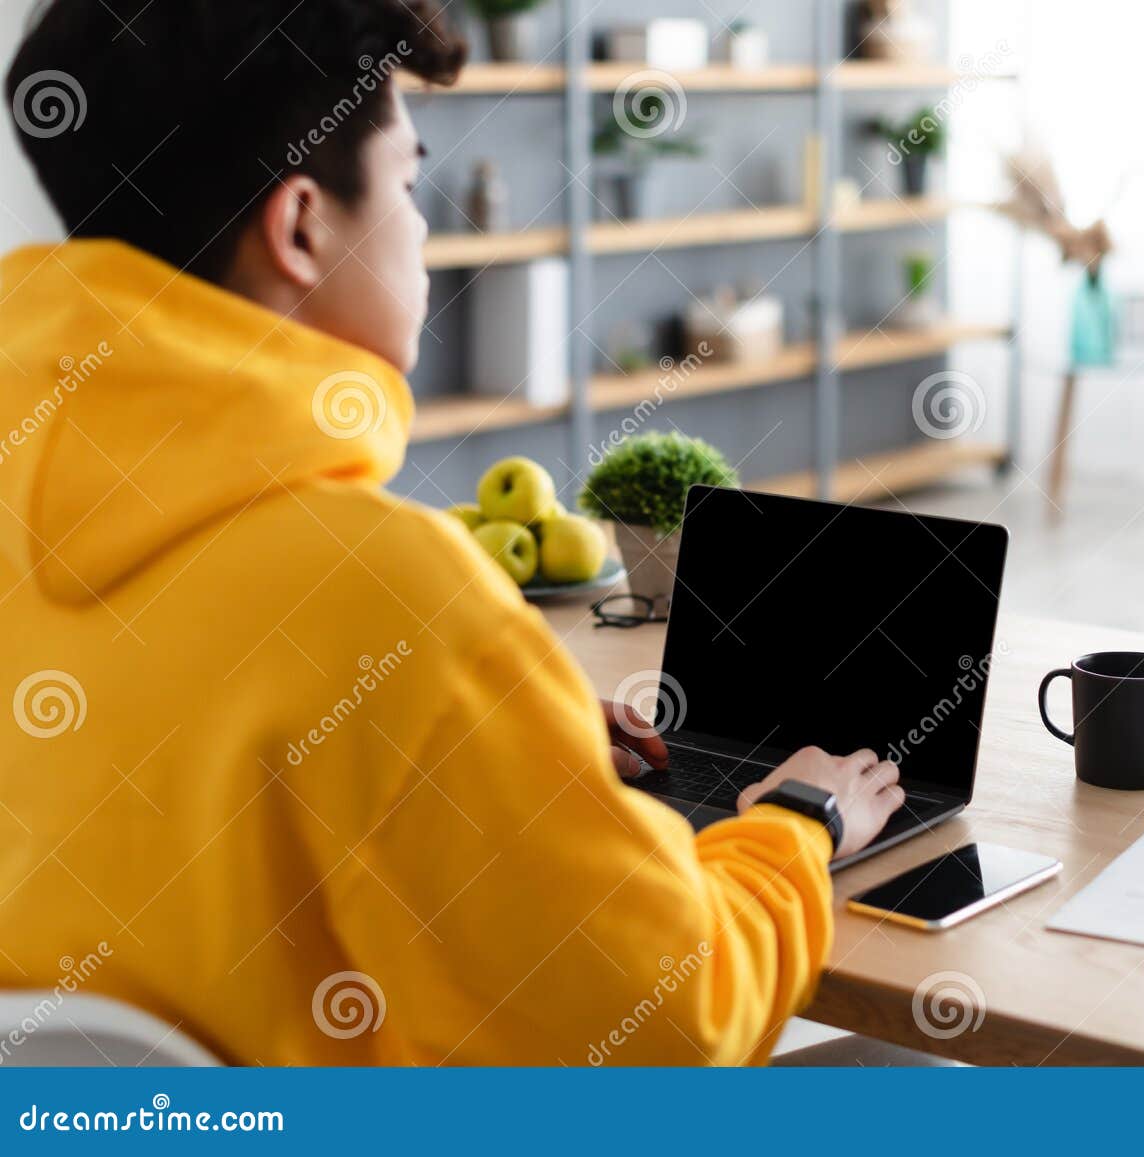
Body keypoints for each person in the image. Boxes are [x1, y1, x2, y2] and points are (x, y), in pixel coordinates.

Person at [0, 0, 902, 1065]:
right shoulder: (387, 590)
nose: (423, 232)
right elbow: (665, 1027)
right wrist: (797, 824)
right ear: (301, 226)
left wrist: (517, 739)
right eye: (409, 187)